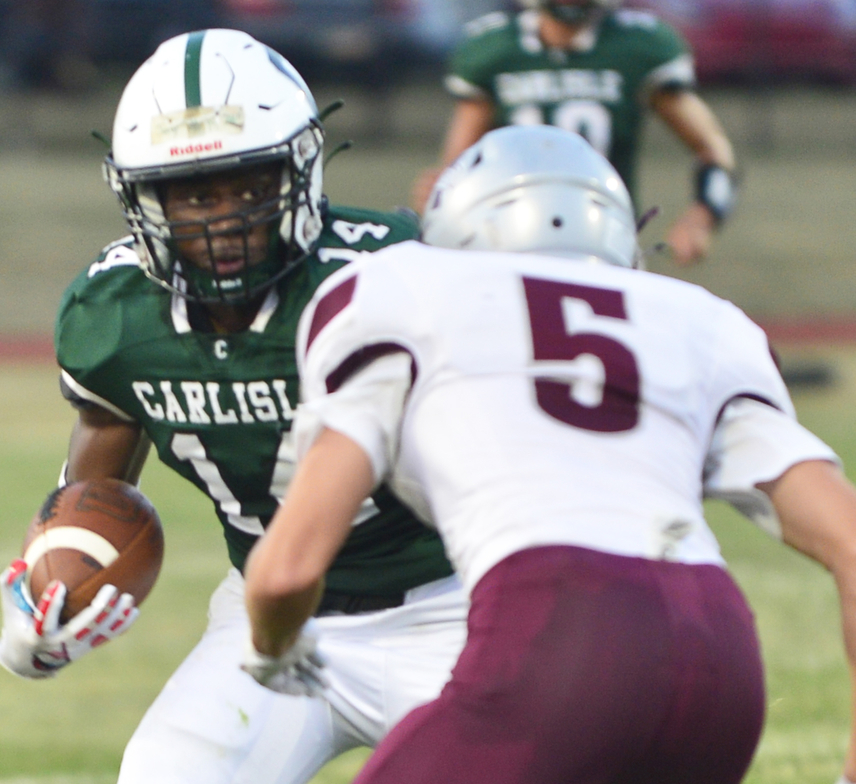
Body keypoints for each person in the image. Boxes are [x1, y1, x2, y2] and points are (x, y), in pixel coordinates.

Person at [242, 125, 856, 784]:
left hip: (560, 629)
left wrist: (276, 648)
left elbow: (285, 572)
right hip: (723, 661)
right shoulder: (700, 318)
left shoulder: (406, 288)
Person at [0, 29, 467, 784]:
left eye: (249, 185)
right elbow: (91, 497)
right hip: (260, 620)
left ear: (298, 173)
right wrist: (44, 595)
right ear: (145, 199)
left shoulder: (392, 273)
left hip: (446, 610)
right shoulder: (116, 317)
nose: (225, 219)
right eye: (196, 193)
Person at [411, 0, 738, 266]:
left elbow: (714, 149)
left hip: (604, 237)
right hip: (507, 237)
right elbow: (457, 165)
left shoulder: (639, 46)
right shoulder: (494, 49)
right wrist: (444, 191)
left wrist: (703, 215)